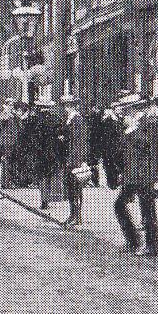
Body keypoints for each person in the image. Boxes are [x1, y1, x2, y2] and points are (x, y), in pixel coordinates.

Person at [114, 96, 158, 257]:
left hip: (143, 176)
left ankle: (151, 246)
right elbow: (123, 153)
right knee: (120, 205)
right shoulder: (131, 128)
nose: (123, 116)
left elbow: (153, 153)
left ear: (133, 111)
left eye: (126, 112)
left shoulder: (147, 126)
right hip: (131, 175)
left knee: (147, 210)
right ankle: (133, 240)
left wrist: (153, 176)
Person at [59, 94, 90, 228]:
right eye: (66, 105)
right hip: (69, 156)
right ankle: (73, 214)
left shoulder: (77, 120)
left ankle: (76, 216)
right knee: (70, 188)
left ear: (74, 107)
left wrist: (79, 159)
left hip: (75, 158)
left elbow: (80, 141)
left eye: (69, 106)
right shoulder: (69, 119)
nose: (67, 108)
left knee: (75, 187)